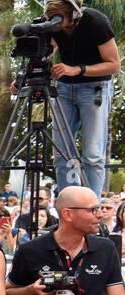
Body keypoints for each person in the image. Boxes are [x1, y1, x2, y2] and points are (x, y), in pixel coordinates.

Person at [43, 0, 120, 198]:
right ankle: (70, 206)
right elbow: (44, 52)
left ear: (73, 13)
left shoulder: (95, 22)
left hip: (95, 88)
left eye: (59, 16)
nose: (55, 22)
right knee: (61, 155)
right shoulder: (51, 25)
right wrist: (24, 77)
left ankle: (90, 208)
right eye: (51, 17)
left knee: (92, 155)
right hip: (64, 89)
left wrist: (77, 69)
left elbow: (113, 65)